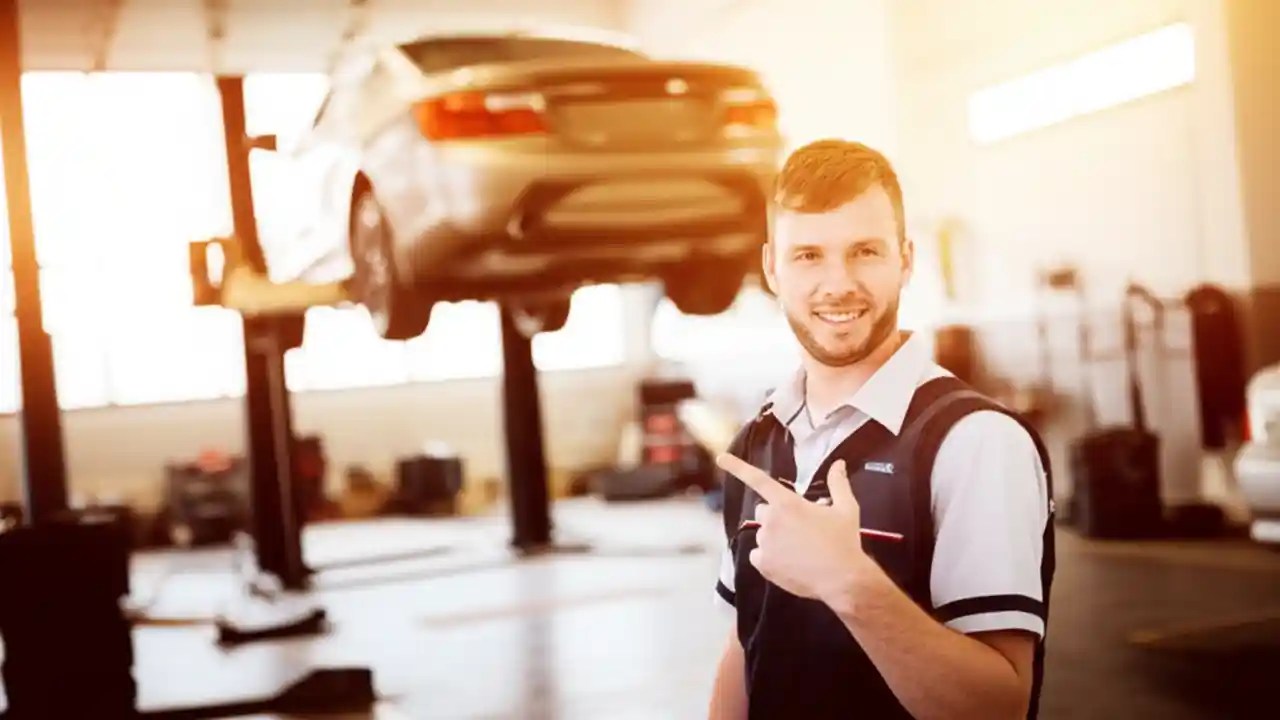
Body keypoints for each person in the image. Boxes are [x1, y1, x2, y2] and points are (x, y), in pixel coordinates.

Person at [708, 139, 1055, 719]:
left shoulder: (977, 444)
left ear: (906, 259)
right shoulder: (759, 443)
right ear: (772, 267)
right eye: (808, 255)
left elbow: (999, 709)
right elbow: (744, 647)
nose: (837, 283)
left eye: (865, 251)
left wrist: (850, 584)